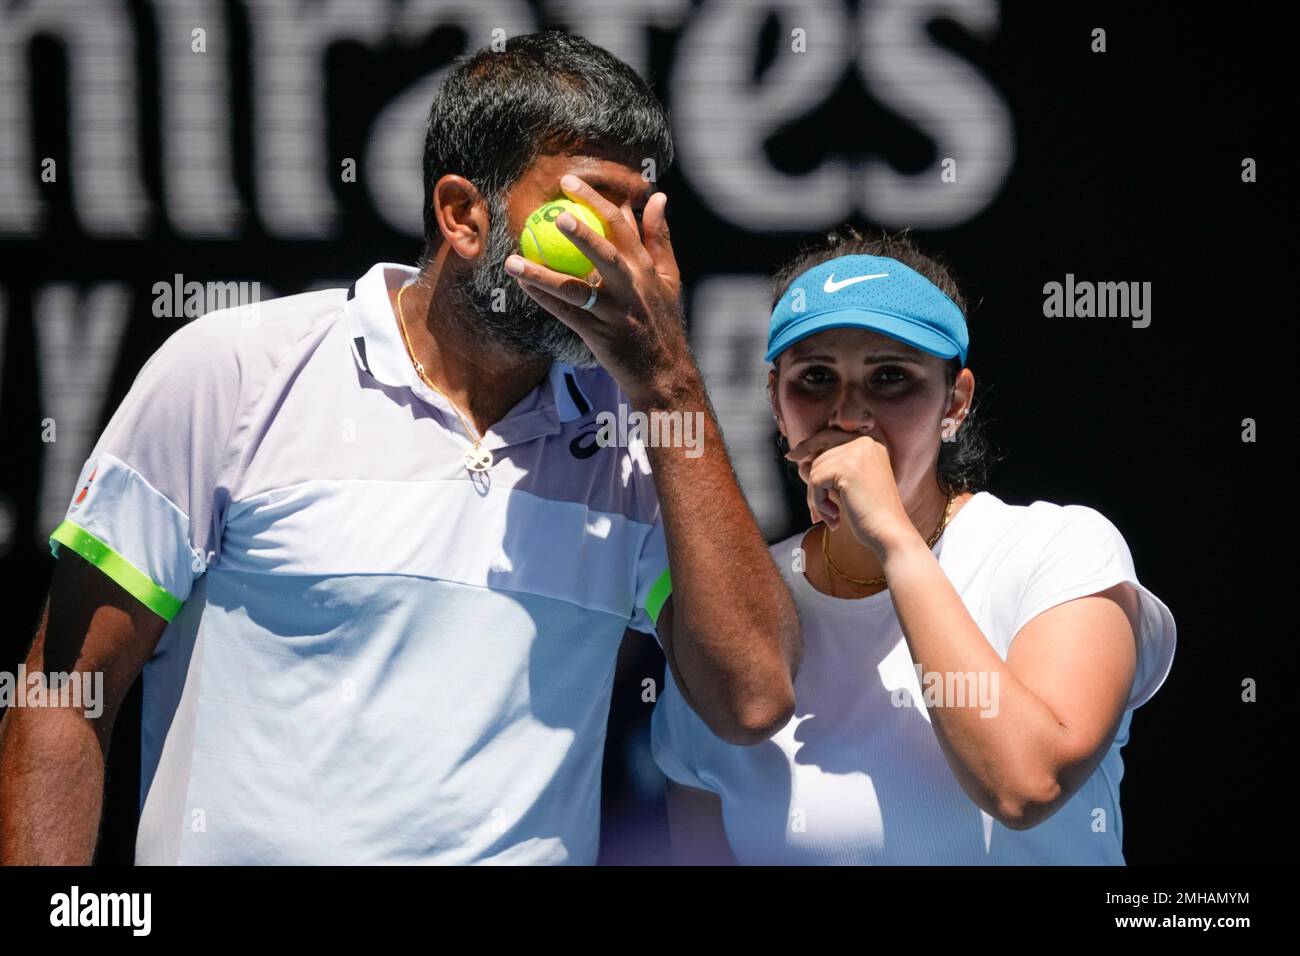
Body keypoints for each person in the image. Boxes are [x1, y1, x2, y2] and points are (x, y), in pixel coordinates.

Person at [0, 31, 800, 865]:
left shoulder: (643, 440)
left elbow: (752, 697)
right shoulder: (232, 372)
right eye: (589, 209)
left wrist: (668, 383)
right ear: (462, 215)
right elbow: (65, 693)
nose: (621, 254)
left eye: (636, 216)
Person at [650, 228, 1177, 865]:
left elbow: (1024, 786)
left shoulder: (1057, 548)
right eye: (815, 377)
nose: (849, 415)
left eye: (891, 378)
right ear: (774, 400)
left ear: (955, 403)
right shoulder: (734, 615)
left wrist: (896, 542)